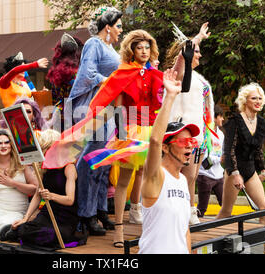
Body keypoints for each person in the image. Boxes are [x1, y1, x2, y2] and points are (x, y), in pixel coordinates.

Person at [81, 29, 164, 247]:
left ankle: (151, 228)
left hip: (151, 130)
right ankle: (118, 229)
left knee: (152, 179)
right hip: (130, 130)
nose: (144, 51)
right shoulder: (123, 73)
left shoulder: (155, 73)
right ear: (132, 50)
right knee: (124, 181)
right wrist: (122, 135)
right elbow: (117, 108)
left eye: (147, 47)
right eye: (139, 47)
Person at [64, 6, 123, 236]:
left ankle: (99, 211)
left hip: (109, 108)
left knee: (105, 160)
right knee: (92, 160)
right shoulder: (93, 44)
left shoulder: (109, 47)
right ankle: (85, 215)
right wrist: (112, 82)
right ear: (107, 27)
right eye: (118, 26)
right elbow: (88, 74)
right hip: (93, 106)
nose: (120, 31)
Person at [139, 66, 199, 254]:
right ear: (166, 147)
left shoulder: (183, 180)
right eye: (183, 141)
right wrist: (170, 96)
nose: (189, 145)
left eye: (192, 141)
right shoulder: (156, 177)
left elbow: (185, 231)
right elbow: (155, 140)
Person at [216, 83, 265, 253]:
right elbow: (228, 151)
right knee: (226, 211)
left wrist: (263, 170)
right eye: (254, 98)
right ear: (245, 101)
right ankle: (211, 239)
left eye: (260, 98)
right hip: (234, 171)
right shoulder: (234, 121)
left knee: (264, 208)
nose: (258, 101)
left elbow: (258, 149)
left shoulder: (261, 122)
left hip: (250, 171)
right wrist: (235, 174)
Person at [0, 129, 87, 248]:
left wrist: (51, 196)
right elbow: (37, 195)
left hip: (65, 217)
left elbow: (70, 200)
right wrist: (25, 218)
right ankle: (20, 231)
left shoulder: (69, 167)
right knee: (27, 228)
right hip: (47, 214)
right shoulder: (44, 169)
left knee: (53, 234)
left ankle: (17, 233)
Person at [163, 22, 214, 224]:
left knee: (191, 176)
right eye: (197, 52)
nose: (200, 55)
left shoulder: (200, 79)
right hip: (180, 133)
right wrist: (198, 37)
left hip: (198, 135)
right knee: (178, 175)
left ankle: (190, 210)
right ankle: (177, 212)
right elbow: (182, 58)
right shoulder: (178, 74)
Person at [46, 33, 84, 132]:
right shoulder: (78, 73)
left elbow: (54, 97)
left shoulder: (56, 72)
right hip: (76, 113)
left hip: (59, 113)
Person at [196, 105, 225, 217]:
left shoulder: (221, 134)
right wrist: (220, 159)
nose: (222, 119)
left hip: (219, 176)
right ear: (214, 117)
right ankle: (195, 228)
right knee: (202, 209)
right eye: (220, 116)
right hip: (205, 176)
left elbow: (222, 151)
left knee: (225, 204)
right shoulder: (205, 133)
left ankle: (229, 228)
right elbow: (204, 157)